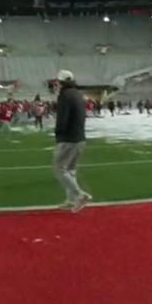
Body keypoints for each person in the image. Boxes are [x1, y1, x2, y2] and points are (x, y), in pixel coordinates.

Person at [53, 69, 91, 212]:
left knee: (59, 168)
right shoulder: (77, 94)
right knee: (70, 170)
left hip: (68, 138)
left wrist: (58, 133)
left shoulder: (65, 95)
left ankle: (79, 195)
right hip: (79, 137)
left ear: (61, 82)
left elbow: (62, 118)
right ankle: (71, 200)